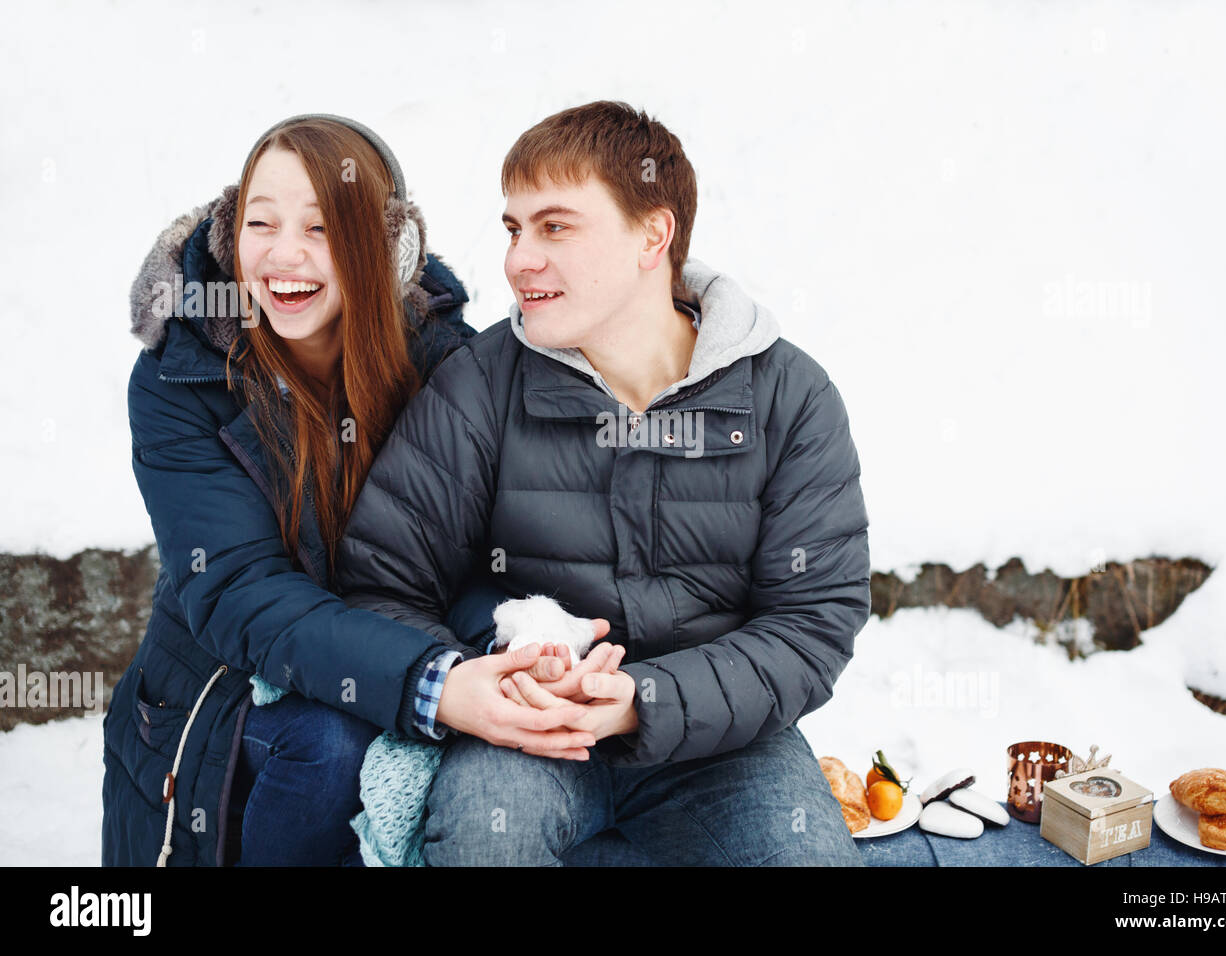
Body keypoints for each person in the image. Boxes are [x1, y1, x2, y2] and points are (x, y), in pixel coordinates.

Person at [336, 101, 872, 866]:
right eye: (514, 230)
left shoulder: (788, 396)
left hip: (721, 742)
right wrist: (479, 675)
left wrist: (643, 701)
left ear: (653, 235)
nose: (520, 260)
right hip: (525, 734)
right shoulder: (480, 385)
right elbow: (382, 585)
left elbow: (814, 618)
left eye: (555, 227)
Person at [102, 114, 603, 866]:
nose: (282, 254)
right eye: (259, 223)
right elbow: (242, 592)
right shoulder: (185, 373)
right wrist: (436, 683)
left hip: (389, 647)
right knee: (332, 744)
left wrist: (518, 638)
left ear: (383, 246)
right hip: (223, 692)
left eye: (320, 228)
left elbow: (461, 560)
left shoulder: (444, 365)